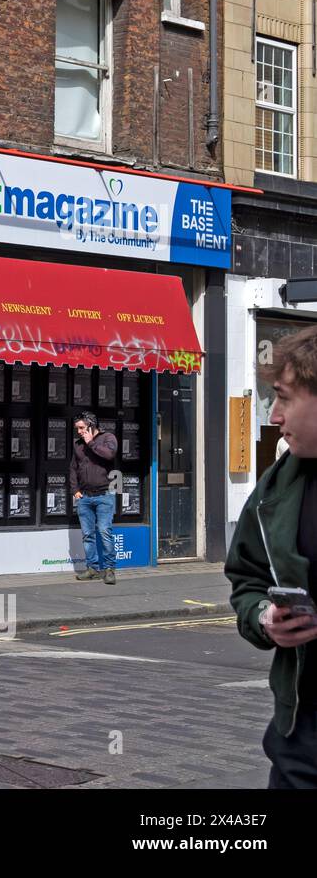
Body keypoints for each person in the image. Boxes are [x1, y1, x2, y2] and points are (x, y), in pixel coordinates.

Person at [226, 326, 317, 788]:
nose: (274, 415)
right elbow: (247, 579)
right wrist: (266, 618)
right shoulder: (276, 487)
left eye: (284, 398)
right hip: (299, 745)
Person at [69, 411, 119, 583]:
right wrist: (75, 490)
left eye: (82, 428)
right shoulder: (78, 444)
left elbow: (109, 455)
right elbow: (73, 468)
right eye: (77, 428)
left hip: (105, 495)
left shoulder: (108, 438)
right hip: (85, 497)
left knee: (105, 532)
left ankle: (110, 569)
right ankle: (92, 568)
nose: (79, 432)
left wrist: (91, 443)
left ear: (91, 425)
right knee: (87, 534)